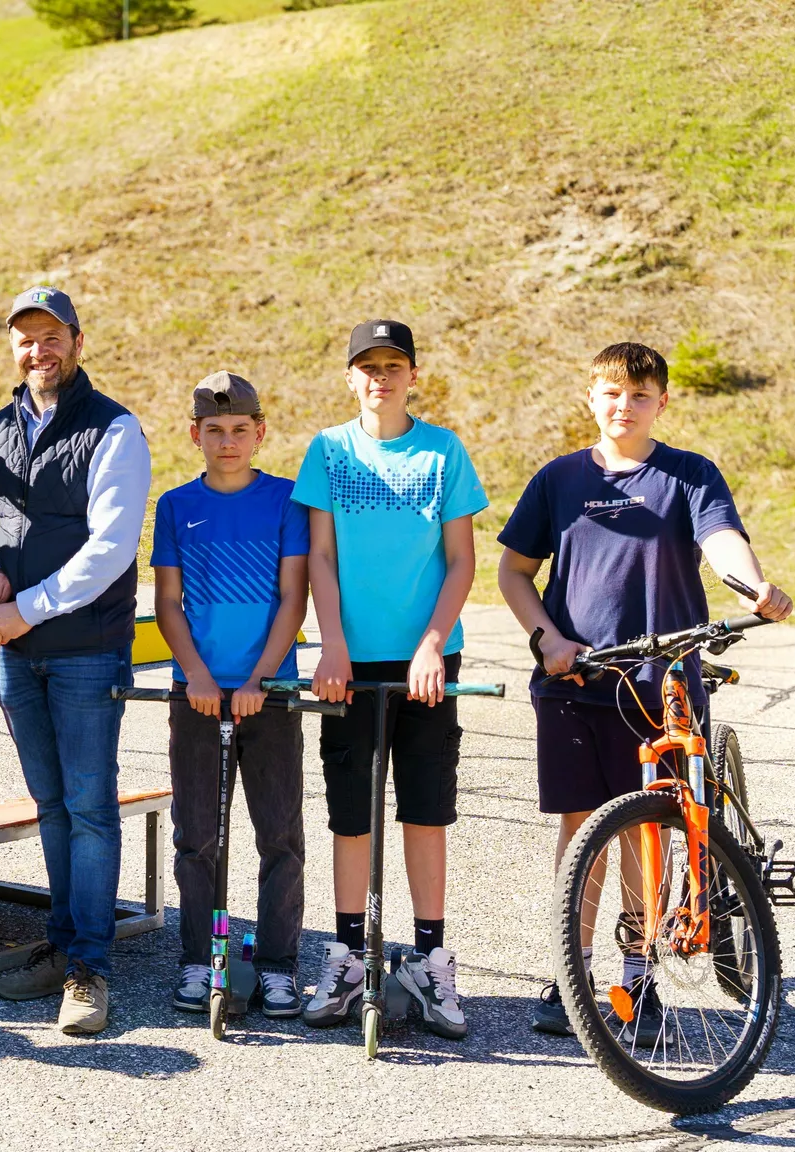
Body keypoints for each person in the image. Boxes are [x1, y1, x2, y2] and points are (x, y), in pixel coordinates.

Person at [495, 341, 791, 1037]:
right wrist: (548, 639)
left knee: (647, 829)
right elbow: (513, 572)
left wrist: (754, 586)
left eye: (639, 395)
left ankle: (637, 978)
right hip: (577, 677)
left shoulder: (688, 474)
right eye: (610, 393)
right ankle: (573, 970)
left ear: (662, 402)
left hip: (663, 682)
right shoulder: (558, 478)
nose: (623, 406)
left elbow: (722, 543)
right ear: (590, 397)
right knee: (580, 828)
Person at [294, 320, 488, 1041]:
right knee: (352, 812)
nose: (381, 376)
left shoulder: (443, 451)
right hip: (352, 661)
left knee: (425, 809)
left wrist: (432, 644)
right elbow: (319, 557)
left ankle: (431, 958)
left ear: (413, 375)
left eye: (393, 365)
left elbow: (461, 560)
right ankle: (348, 955)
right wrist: (334, 644)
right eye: (367, 365)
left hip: (428, 664)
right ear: (351, 377)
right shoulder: (328, 450)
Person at [0, 287, 152, 1035]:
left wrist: (27, 607)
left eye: (51, 336)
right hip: (16, 653)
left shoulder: (115, 429)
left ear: (78, 341)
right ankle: (60, 945)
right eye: (25, 339)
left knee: (88, 809)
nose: (37, 350)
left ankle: (90, 971)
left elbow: (109, 551)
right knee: (51, 808)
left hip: (84, 651)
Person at [149, 372, 311, 1020]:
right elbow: (167, 602)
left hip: (267, 696)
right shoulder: (174, 506)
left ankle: (277, 964)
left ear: (259, 433)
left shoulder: (287, 501)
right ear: (195, 435)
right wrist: (197, 676)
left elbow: (293, 598)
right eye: (213, 431)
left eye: (239, 430)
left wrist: (257, 680)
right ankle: (197, 956)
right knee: (196, 837)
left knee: (281, 836)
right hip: (196, 696)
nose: (227, 441)